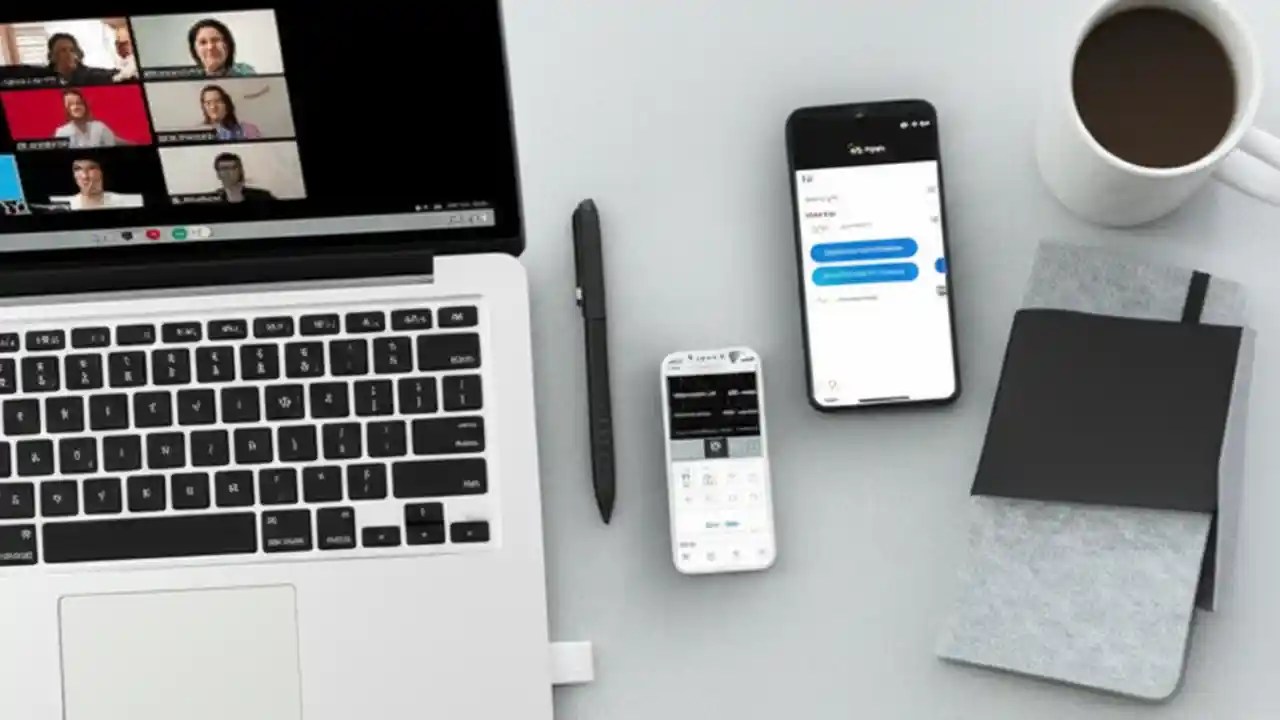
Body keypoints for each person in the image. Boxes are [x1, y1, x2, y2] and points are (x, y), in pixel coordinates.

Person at [63, 157, 142, 210]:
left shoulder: (131, 202)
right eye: (77, 169)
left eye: (91, 168)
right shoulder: (64, 205)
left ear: (102, 172)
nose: (84, 176)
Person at [188, 19, 256, 77]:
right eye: (203, 42)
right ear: (195, 50)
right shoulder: (188, 78)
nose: (210, 47)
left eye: (216, 40)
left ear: (227, 45)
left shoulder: (245, 73)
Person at [45, 33, 117, 86]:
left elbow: (113, 75)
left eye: (72, 50)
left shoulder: (93, 77)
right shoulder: (46, 80)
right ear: (52, 56)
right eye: (63, 50)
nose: (69, 54)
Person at [54, 90, 118, 148]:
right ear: (66, 109)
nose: (76, 107)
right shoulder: (62, 133)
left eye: (79, 103)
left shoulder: (99, 127)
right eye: (70, 104)